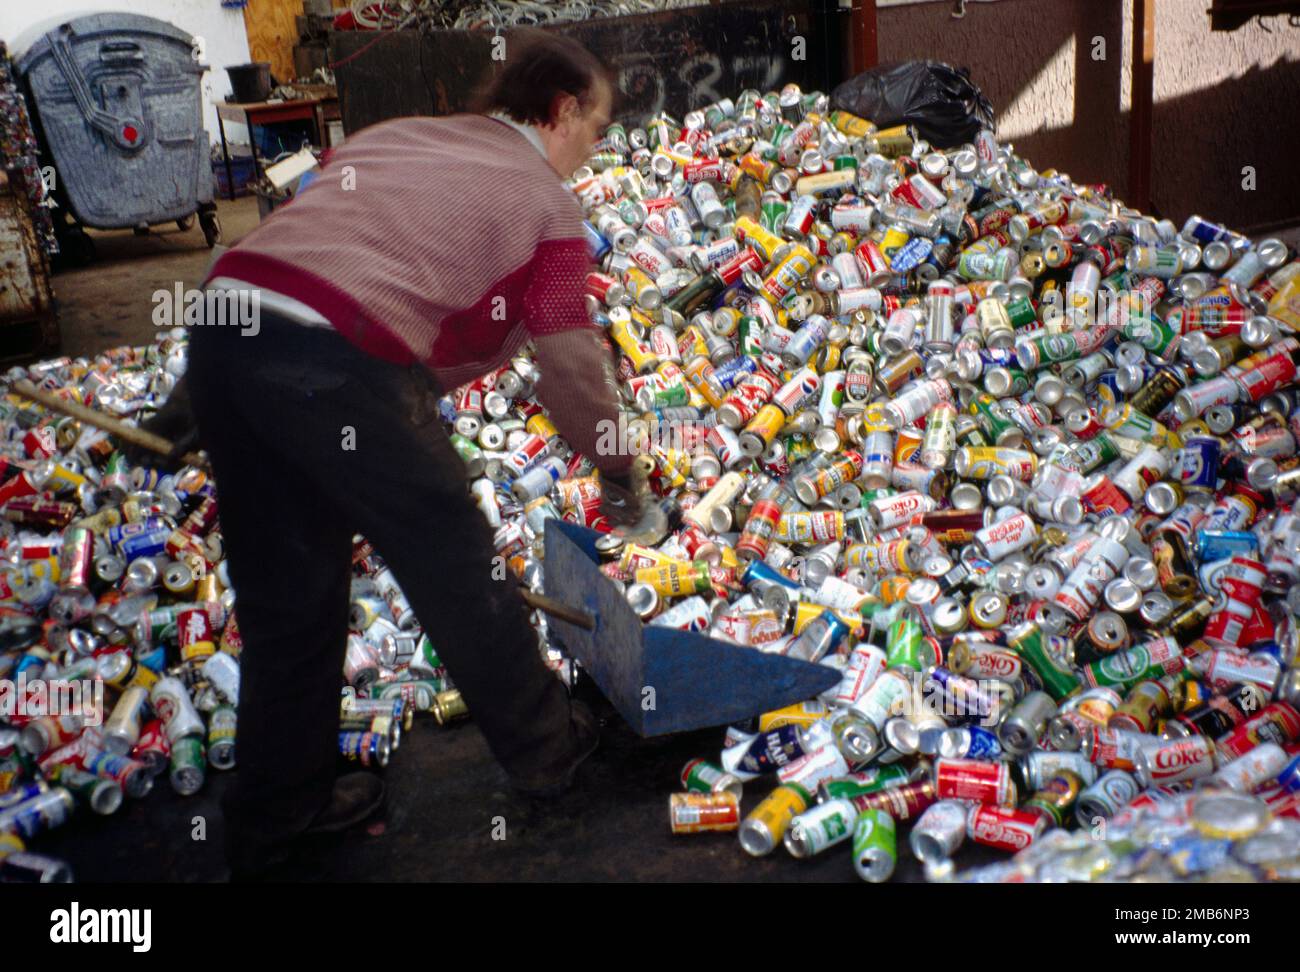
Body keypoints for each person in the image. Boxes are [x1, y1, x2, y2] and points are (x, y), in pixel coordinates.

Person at [137, 31, 643, 880]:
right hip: (337, 358)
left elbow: (291, 252)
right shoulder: (548, 206)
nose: (592, 151)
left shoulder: (397, 138)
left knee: (290, 600)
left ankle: (277, 815)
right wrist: (620, 466)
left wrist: (193, 401)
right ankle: (549, 748)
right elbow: (570, 361)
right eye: (595, 129)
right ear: (560, 113)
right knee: (455, 553)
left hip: (225, 335)